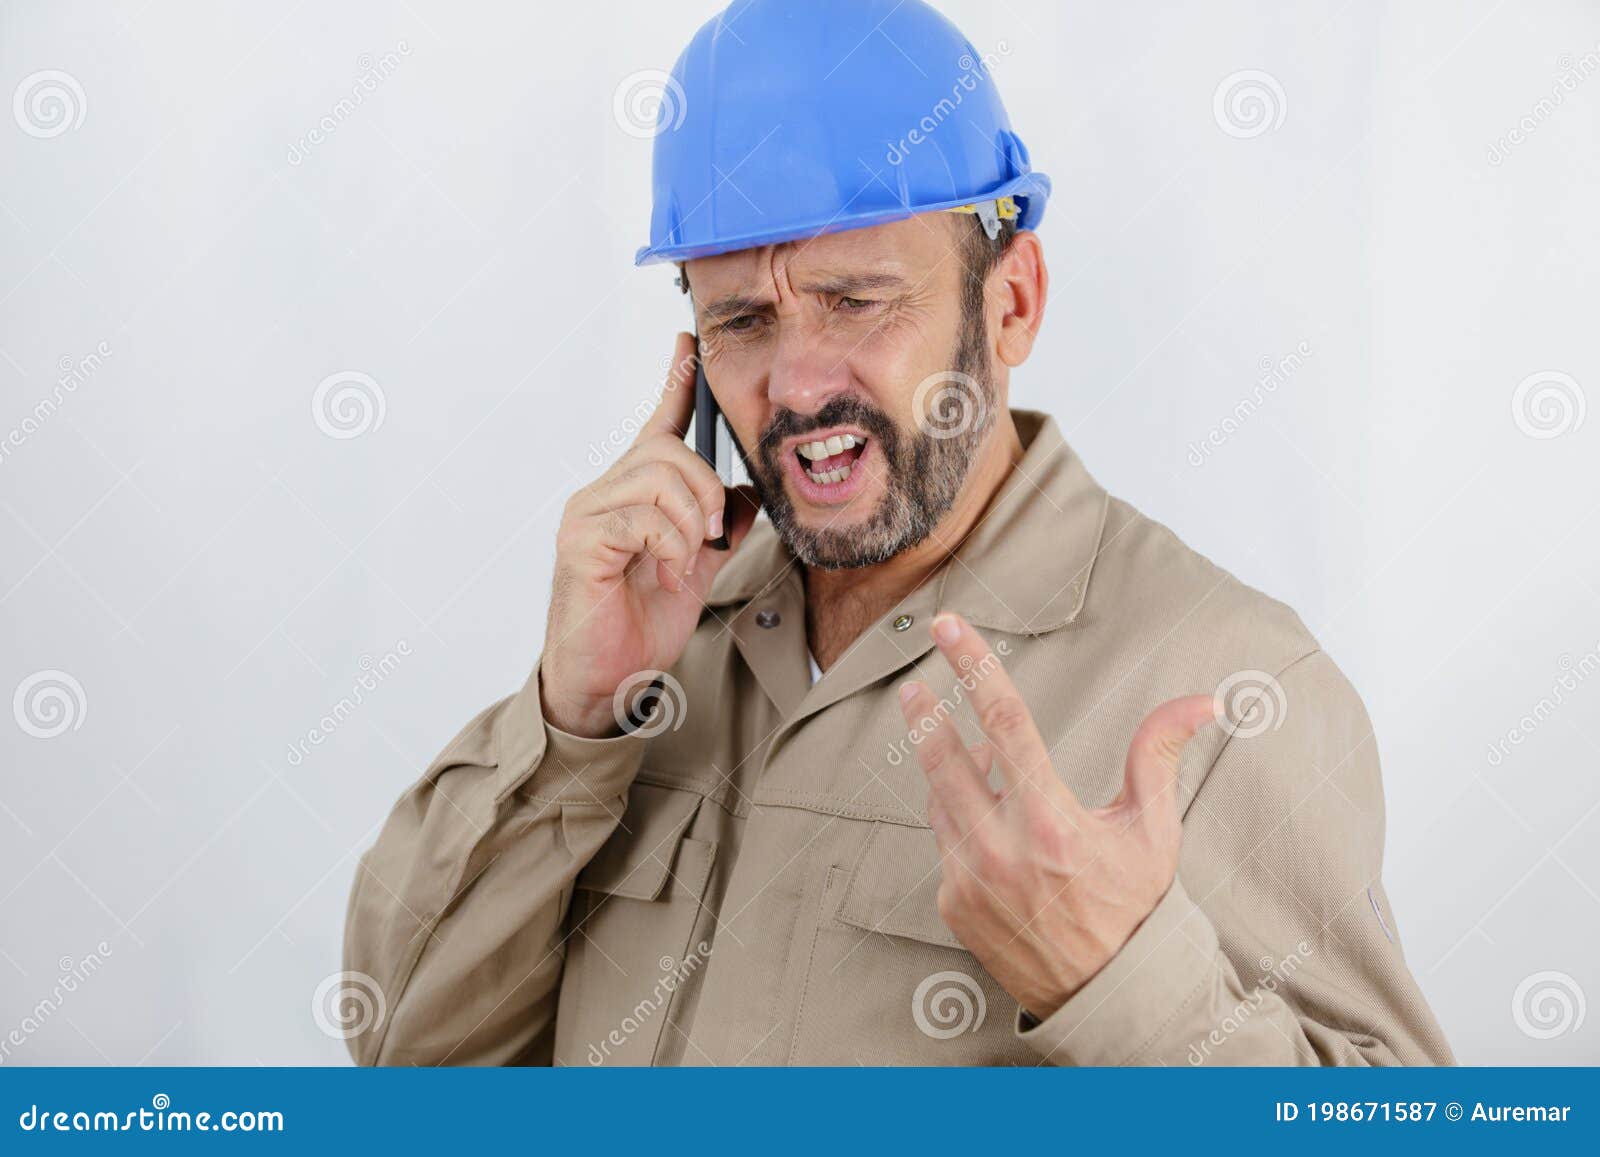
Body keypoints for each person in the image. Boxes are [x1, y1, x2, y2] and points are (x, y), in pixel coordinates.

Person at [342, 0, 1453, 1066]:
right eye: (740, 319)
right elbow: (405, 1058)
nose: (798, 383)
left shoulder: (1222, 679)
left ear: (1010, 301)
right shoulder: (657, 644)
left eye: (856, 300)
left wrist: (1118, 981)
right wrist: (570, 722)